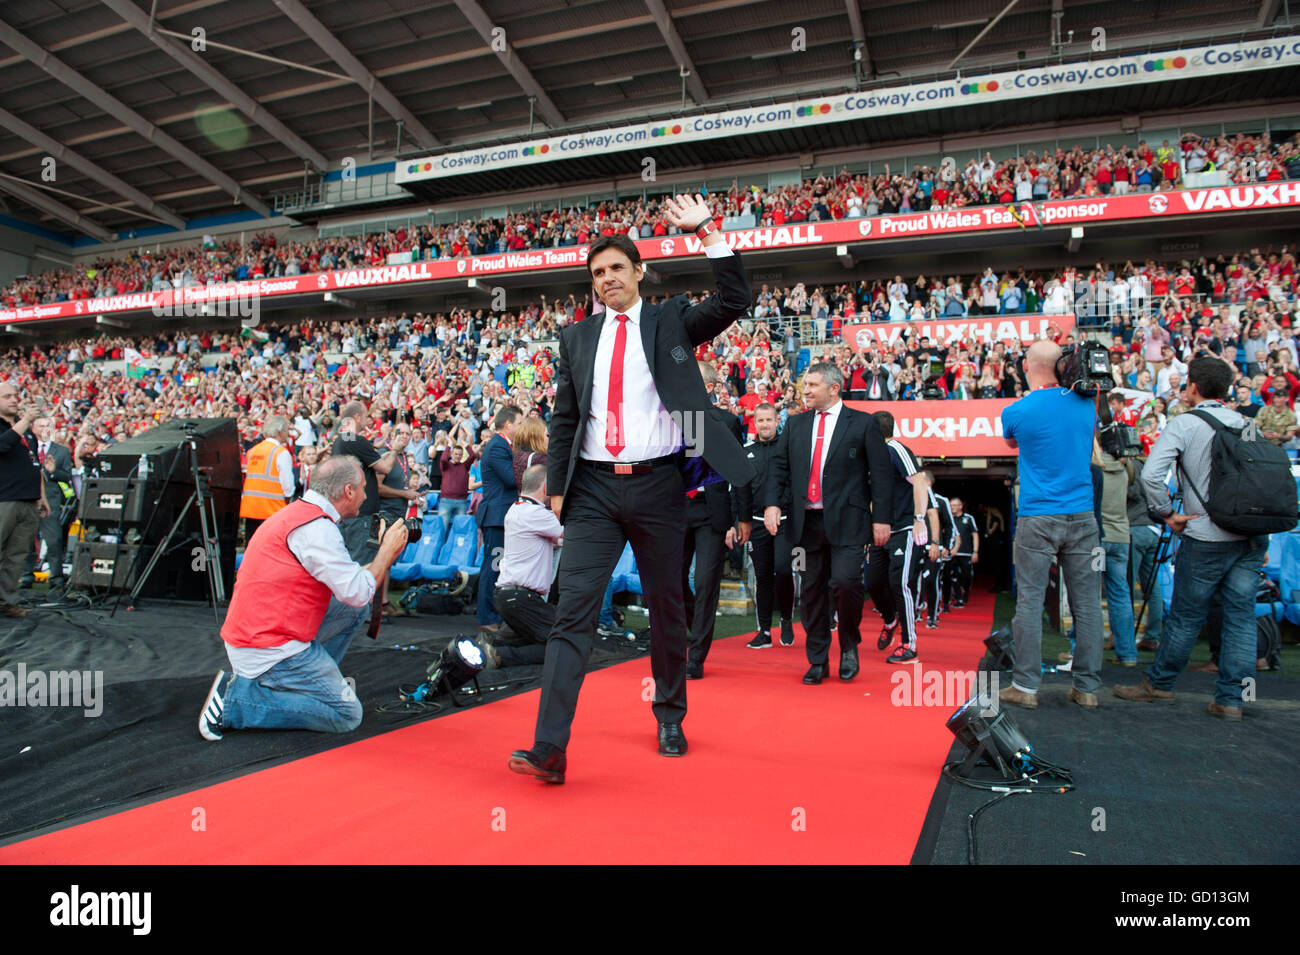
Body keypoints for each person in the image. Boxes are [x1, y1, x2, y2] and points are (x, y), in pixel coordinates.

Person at [509, 194, 754, 784]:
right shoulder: (575, 339)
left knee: (667, 608)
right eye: (597, 273)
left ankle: (670, 713)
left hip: (659, 486)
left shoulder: (670, 320)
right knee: (572, 613)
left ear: (639, 272)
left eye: (617, 267)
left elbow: (734, 300)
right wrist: (559, 490)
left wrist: (707, 231)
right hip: (592, 490)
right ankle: (550, 746)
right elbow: (565, 420)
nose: (607, 279)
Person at [197, 455, 410, 740]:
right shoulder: (317, 530)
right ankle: (235, 704)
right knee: (347, 714)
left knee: (353, 610)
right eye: (362, 488)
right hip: (269, 647)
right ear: (348, 491)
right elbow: (358, 591)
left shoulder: (299, 514)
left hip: (259, 632)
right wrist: (385, 554)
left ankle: (303, 685)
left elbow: (353, 587)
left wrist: (385, 554)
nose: (366, 495)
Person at [1114, 357, 1270, 720]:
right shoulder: (1247, 423)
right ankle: (1233, 699)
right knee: (1241, 618)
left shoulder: (1185, 423)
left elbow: (1152, 476)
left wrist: (1167, 514)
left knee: (1186, 617)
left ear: (1193, 388)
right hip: (1248, 537)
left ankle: (1160, 684)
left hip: (1204, 535)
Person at [764, 362, 891, 685]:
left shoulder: (863, 424)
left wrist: (882, 520)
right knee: (811, 592)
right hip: (805, 526)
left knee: (846, 584)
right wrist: (772, 504)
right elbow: (778, 467)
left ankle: (849, 645)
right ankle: (817, 659)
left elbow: (881, 476)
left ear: (834, 388)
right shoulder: (794, 425)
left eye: (812, 385)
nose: (805, 390)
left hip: (849, 523)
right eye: (804, 384)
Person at [999, 340, 1105, 710]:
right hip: (1082, 516)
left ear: (1028, 366)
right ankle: (1087, 687)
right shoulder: (1087, 405)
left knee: (1029, 600)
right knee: (1087, 602)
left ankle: (1026, 687)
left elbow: (1013, 443)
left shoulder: (1016, 410)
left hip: (1037, 516)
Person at [682, 362, 752, 678]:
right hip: (675, 510)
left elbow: (739, 471)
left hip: (712, 512)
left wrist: (743, 518)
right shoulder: (669, 419)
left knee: (706, 582)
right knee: (671, 580)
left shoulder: (727, 421)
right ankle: (694, 626)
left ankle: (696, 655)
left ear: (710, 387)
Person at [867, 411, 938, 662]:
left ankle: (910, 645)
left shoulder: (896, 448)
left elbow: (919, 483)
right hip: (881, 530)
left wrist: (919, 521)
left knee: (900, 584)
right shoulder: (872, 456)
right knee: (873, 582)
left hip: (904, 528)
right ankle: (890, 619)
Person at [487, 464, 563, 668]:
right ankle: (501, 656)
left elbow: (553, 540)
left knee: (530, 638)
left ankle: (493, 647)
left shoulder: (517, 509)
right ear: (547, 488)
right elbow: (570, 532)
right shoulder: (536, 514)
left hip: (508, 596)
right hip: (522, 598)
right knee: (566, 642)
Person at [743, 402, 795, 649]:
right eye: (760, 420)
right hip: (756, 524)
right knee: (762, 576)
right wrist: (738, 521)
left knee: (784, 570)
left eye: (769, 420)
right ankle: (763, 630)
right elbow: (740, 490)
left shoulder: (789, 450)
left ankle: (786, 619)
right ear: (755, 422)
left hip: (785, 522)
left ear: (777, 421)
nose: (764, 424)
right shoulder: (746, 451)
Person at [0, 382, 48, 618]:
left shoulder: (26, 428)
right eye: (6, 396)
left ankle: (7, 601)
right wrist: (25, 421)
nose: (13, 399)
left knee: (16, 555)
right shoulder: (21, 425)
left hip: (28, 498)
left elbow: (34, 462)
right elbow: (3, 445)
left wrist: (42, 494)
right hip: (4, 499)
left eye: (15, 395)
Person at [331, 402, 396, 563]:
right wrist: (395, 449)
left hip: (345, 512)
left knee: (345, 563)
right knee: (362, 564)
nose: (370, 419)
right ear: (356, 417)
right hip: (361, 514)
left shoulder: (340, 440)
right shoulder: (356, 440)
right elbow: (385, 468)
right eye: (367, 416)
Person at [476, 405, 521, 632]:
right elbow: (511, 479)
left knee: (499, 567)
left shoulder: (504, 446)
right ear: (508, 424)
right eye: (519, 423)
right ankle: (487, 617)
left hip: (502, 515)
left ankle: (494, 614)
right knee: (493, 566)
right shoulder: (497, 447)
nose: (521, 428)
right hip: (496, 516)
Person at [1095, 439, 1137, 666]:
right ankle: (1128, 653)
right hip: (1121, 538)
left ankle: (1083, 652)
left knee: (1089, 595)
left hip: (1099, 540)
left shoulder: (1094, 471)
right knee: (1120, 595)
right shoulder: (1124, 471)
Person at [21, 417, 73, 588]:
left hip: (51, 500)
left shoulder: (62, 451)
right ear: (33, 429)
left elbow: (67, 477)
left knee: (54, 540)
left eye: (47, 425)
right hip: (28, 499)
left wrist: (53, 472)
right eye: (40, 425)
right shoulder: (25, 448)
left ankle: (56, 577)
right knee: (27, 539)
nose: (44, 428)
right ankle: (26, 575)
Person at [239, 414, 295, 543]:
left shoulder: (252, 451)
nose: (288, 434)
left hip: (251, 509)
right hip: (271, 510)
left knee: (252, 549)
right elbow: (288, 487)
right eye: (287, 430)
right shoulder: (281, 453)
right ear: (280, 432)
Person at [948, 496, 979, 608]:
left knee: (966, 576)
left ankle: (965, 593)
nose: (952, 508)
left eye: (954, 505)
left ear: (961, 506)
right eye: (950, 505)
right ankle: (958, 598)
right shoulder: (948, 518)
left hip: (966, 553)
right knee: (953, 576)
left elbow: (975, 535)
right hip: (952, 553)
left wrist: (975, 551)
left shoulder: (969, 518)